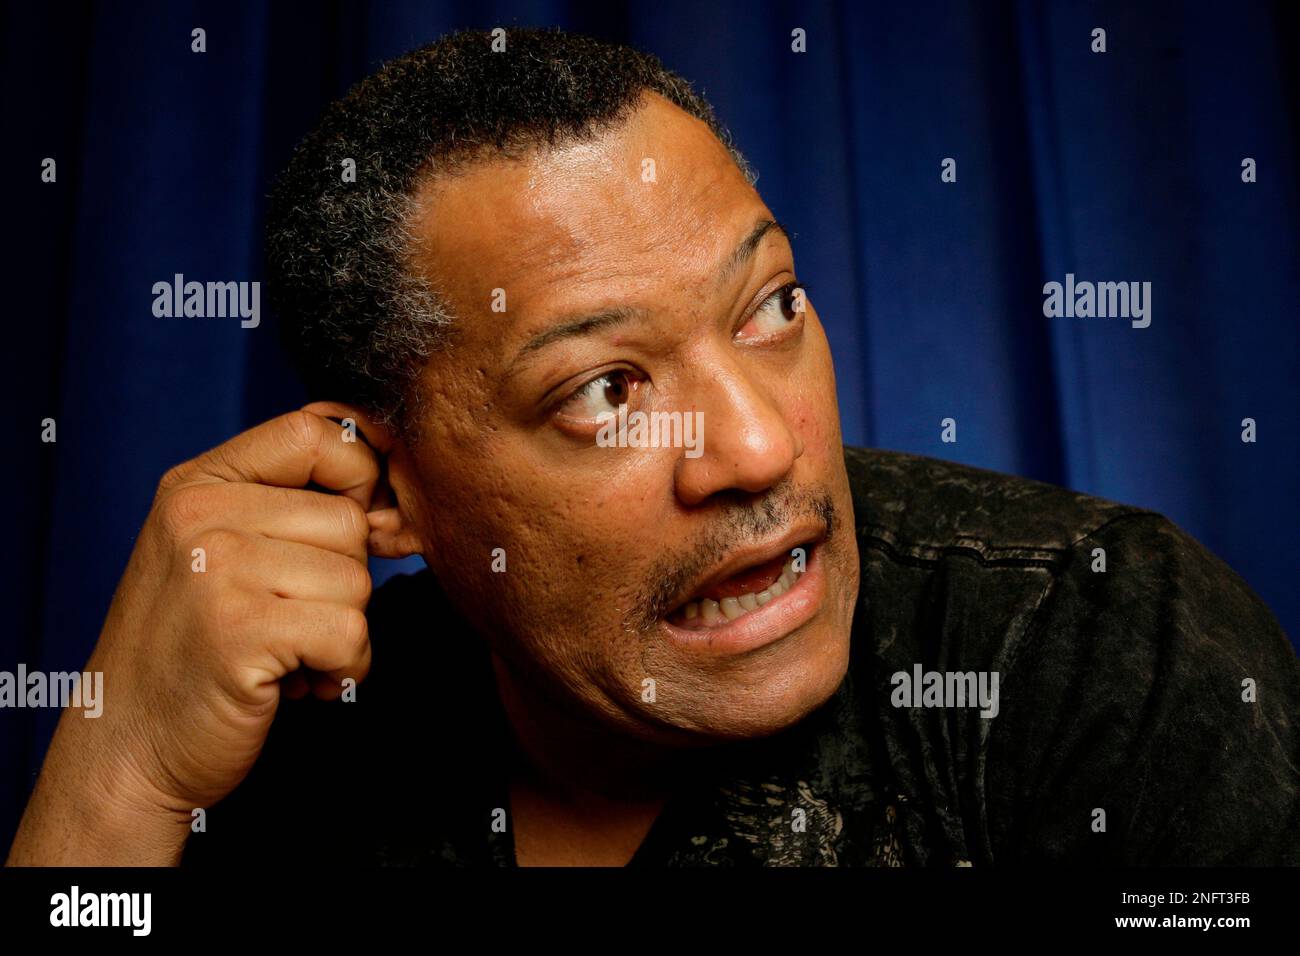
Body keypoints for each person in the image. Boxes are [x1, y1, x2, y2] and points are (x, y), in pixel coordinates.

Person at [8, 28, 1297, 868]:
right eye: (607, 390)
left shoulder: (1100, 653)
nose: (753, 446)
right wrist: (119, 780)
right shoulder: (312, 757)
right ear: (389, 492)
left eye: (772, 307)